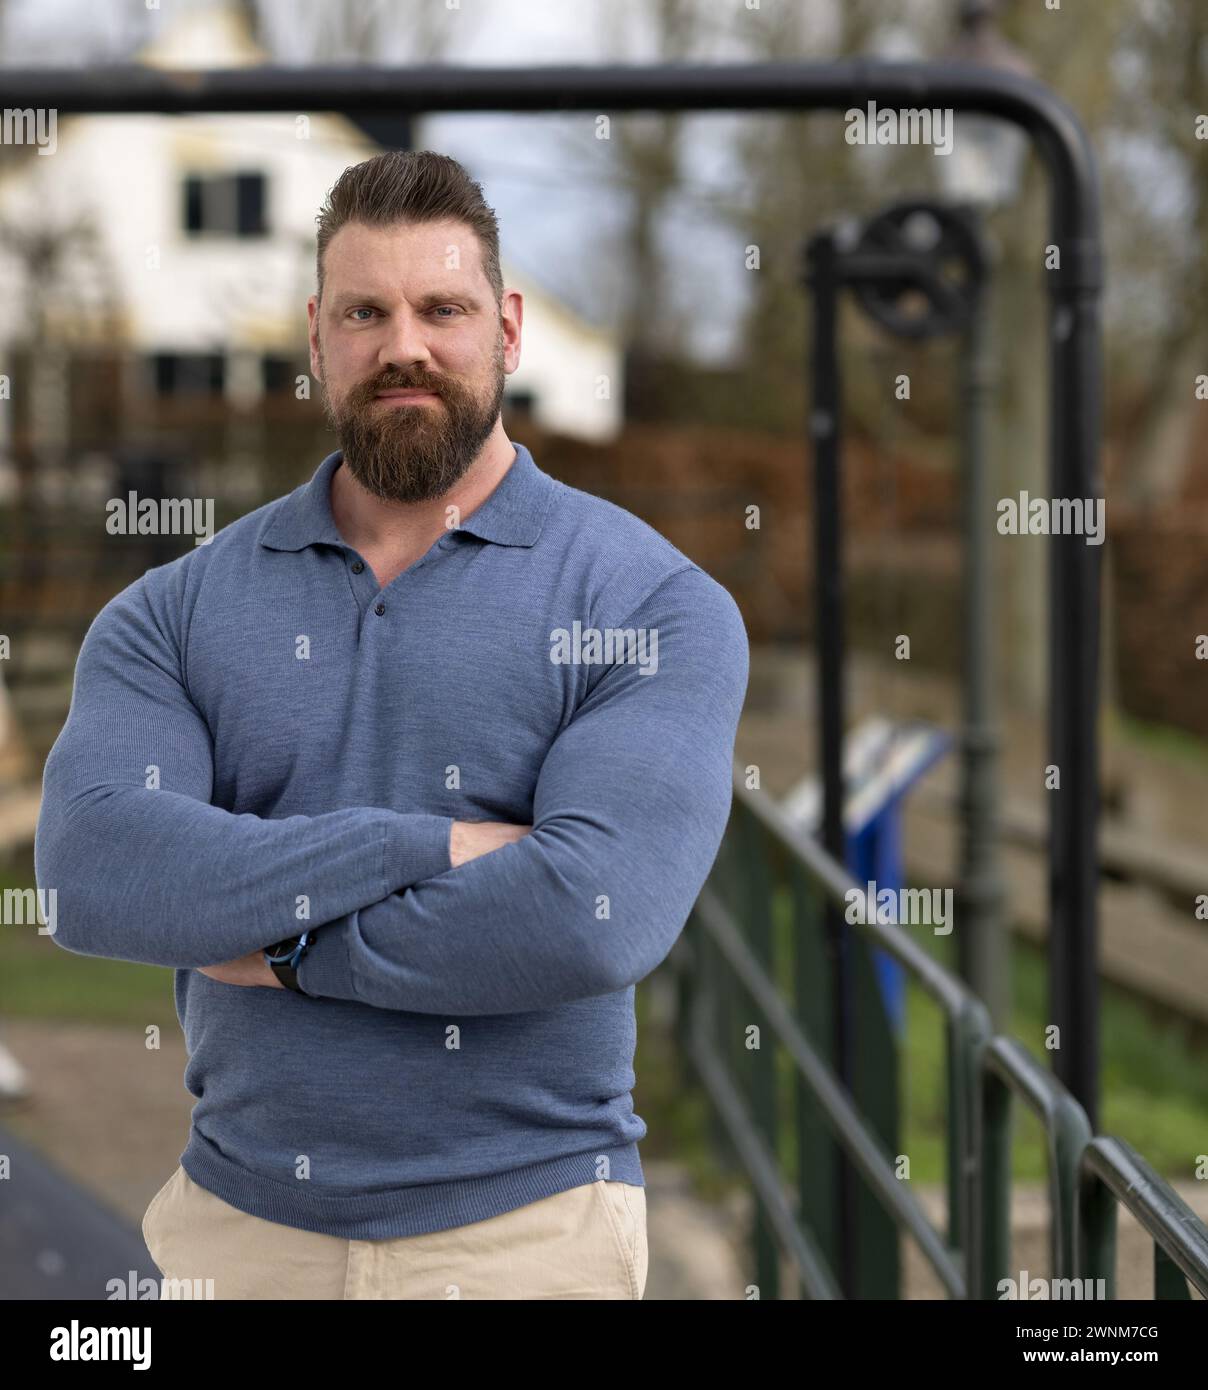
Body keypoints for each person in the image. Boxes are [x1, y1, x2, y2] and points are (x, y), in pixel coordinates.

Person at [34, 150, 749, 1300]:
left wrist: (271, 942)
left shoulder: (648, 604)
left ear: (508, 328)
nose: (401, 345)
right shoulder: (171, 612)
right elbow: (95, 873)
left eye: (442, 309)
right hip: (235, 1235)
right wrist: (428, 847)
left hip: (525, 1237)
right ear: (316, 335)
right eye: (364, 311)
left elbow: (589, 915)